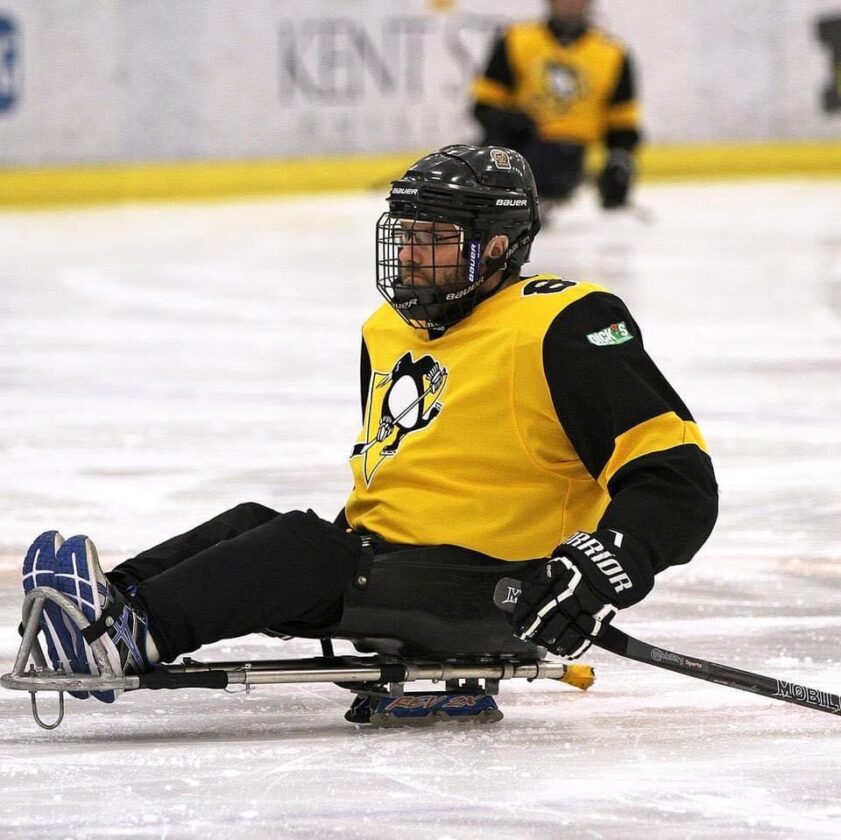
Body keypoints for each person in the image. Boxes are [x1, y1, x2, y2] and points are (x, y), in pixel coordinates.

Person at [22, 145, 717, 705]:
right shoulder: (388, 329)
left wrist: (601, 569)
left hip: (502, 588)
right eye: (405, 235)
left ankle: (129, 634)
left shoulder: (563, 323)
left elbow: (675, 478)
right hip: (406, 568)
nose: (411, 253)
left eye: (433, 238)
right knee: (255, 524)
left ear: (499, 245)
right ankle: (114, 606)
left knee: (301, 550)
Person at [471, 0, 642, 210]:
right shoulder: (517, 38)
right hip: (517, 143)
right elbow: (485, 104)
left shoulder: (612, 53)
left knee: (555, 158)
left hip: (566, 153)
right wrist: (510, 122)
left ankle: (533, 199)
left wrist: (619, 163)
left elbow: (622, 124)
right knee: (485, 156)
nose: (571, 3)